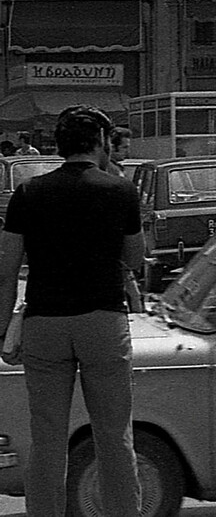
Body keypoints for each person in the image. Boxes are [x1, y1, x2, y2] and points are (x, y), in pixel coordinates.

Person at [0, 106, 145, 517]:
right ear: (99, 142)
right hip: (102, 320)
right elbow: (134, 259)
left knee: (47, 439)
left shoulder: (28, 193)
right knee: (114, 437)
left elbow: (6, 272)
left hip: (45, 323)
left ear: (59, 146)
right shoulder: (121, 191)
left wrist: (1, 331)